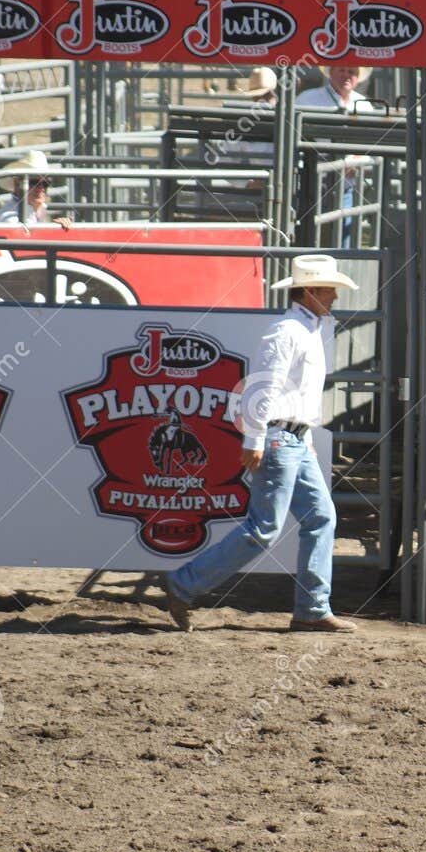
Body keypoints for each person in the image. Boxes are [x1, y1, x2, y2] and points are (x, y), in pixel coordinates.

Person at [163, 255, 359, 634]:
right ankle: (184, 584)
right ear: (310, 291)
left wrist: (300, 438)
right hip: (281, 439)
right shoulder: (288, 331)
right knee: (265, 528)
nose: (335, 295)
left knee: (316, 518)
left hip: (291, 439)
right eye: (329, 288)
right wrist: (255, 438)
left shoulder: (303, 329)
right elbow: (264, 387)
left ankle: (313, 609)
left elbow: (283, 391)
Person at [295, 65, 377, 245]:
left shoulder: (364, 104)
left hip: (345, 181)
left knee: (343, 231)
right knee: (305, 229)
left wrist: (356, 161)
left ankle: (339, 263)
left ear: (357, 78)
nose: (346, 75)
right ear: (331, 72)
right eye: (342, 70)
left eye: (351, 72)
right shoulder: (307, 99)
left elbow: (370, 147)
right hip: (310, 179)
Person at [0, 151, 72, 232]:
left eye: (45, 183)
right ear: (17, 184)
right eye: (34, 182)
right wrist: (55, 231)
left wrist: (58, 230)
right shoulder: (9, 219)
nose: (41, 188)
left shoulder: (36, 211)